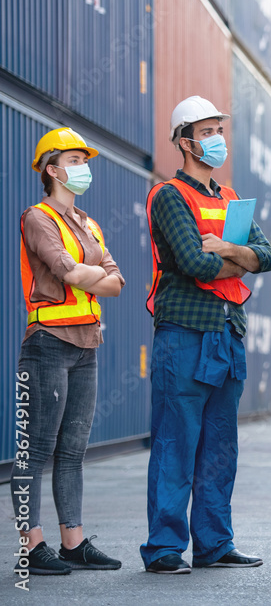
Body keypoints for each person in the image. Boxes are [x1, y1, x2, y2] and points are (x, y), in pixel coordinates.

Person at [140, 96, 271, 574]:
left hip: (227, 332)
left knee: (220, 445)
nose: (217, 138)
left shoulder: (231, 197)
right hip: (184, 332)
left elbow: (267, 256)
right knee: (176, 441)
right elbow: (194, 263)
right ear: (185, 141)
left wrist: (228, 250)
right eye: (207, 131)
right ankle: (164, 548)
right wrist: (240, 258)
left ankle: (215, 543)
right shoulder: (168, 195)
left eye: (220, 129)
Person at [13, 128, 125, 575]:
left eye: (85, 160)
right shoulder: (37, 218)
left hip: (86, 345)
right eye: (75, 160)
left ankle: (73, 543)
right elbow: (68, 273)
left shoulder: (90, 224)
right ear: (52, 170)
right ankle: (32, 545)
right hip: (48, 344)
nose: (84, 168)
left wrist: (87, 273)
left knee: (74, 450)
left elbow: (117, 282)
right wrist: (91, 274)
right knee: (36, 448)